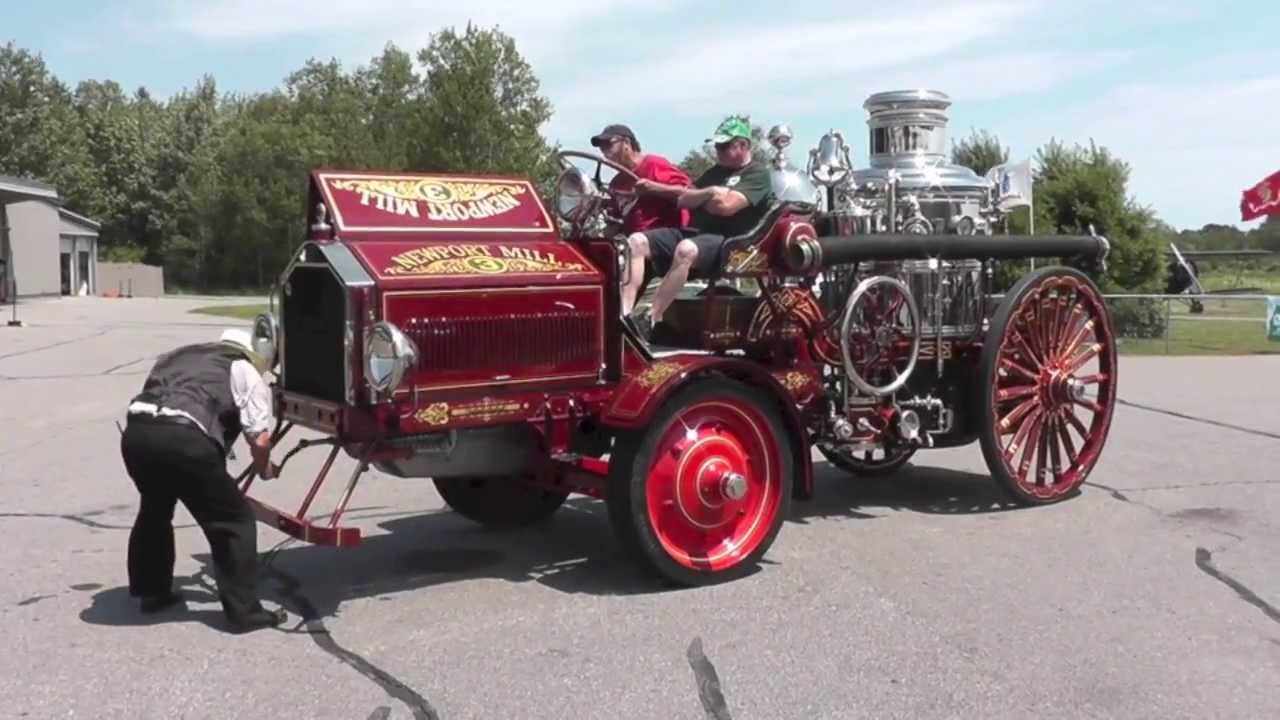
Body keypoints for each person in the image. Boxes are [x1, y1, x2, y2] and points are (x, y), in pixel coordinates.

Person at [119, 328, 287, 633]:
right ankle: (244, 613)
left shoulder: (179, 356)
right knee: (233, 523)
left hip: (138, 433)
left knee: (154, 510)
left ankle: (152, 593)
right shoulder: (243, 369)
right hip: (183, 438)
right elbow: (260, 440)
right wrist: (264, 469)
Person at [621, 116, 775, 325]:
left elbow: (725, 207)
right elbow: (684, 199)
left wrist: (704, 199)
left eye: (724, 146)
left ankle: (652, 318)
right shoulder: (714, 173)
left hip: (731, 241)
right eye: (717, 146)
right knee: (635, 242)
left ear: (744, 145)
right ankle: (624, 316)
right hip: (699, 233)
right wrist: (711, 192)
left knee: (686, 249)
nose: (718, 151)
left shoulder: (757, 174)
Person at [589, 123, 692, 316]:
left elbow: (688, 193)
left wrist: (655, 188)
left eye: (608, 144)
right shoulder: (617, 182)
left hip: (667, 241)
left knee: (634, 244)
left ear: (626, 143)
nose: (604, 151)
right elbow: (615, 224)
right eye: (601, 147)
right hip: (634, 245)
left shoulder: (654, 164)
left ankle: (625, 313)